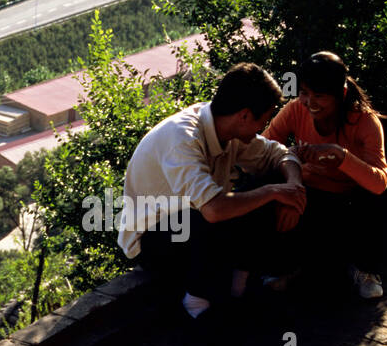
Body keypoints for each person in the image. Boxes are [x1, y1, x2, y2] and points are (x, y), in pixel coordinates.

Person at [118, 63, 305, 322]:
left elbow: (279, 154)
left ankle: (238, 288)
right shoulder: (182, 138)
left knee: (266, 186)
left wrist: (292, 189)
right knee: (215, 211)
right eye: (262, 121)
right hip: (154, 239)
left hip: (199, 226)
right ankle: (197, 306)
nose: (262, 129)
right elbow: (214, 209)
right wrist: (274, 191)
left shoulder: (229, 130)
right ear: (244, 116)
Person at [263, 51, 387, 298]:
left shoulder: (365, 121)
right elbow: (262, 150)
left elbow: (379, 184)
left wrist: (342, 157)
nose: (310, 102)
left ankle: (365, 269)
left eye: (320, 96)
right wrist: (291, 187)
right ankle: (286, 266)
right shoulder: (295, 110)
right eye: (304, 93)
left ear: (341, 95)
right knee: (263, 180)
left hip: (351, 200)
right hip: (311, 195)